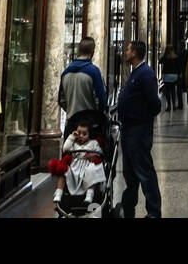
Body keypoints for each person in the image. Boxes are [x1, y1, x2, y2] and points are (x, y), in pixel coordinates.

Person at [116, 38, 162, 218]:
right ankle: (129, 209)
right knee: (130, 174)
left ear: (134, 53)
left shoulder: (145, 74)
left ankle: (153, 213)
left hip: (138, 131)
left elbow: (154, 104)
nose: (126, 53)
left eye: (128, 50)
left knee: (145, 172)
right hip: (129, 131)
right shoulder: (137, 72)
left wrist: (142, 118)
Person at [48, 119, 106, 216]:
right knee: (64, 172)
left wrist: (93, 155)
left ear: (89, 135)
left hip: (88, 166)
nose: (81, 136)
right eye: (79, 133)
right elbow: (65, 149)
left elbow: (100, 152)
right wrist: (71, 137)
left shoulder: (93, 143)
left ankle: (90, 193)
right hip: (74, 167)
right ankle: (59, 192)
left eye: (84, 134)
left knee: (93, 170)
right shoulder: (74, 144)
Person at [58, 36, 108, 138]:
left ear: (79, 50)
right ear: (92, 51)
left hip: (71, 125)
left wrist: (72, 111)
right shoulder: (94, 72)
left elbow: (61, 100)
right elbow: (101, 100)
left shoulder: (65, 73)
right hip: (89, 128)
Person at [160, 44, 180, 111]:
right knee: (173, 91)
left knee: (167, 92)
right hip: (174, 76)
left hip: (167, 76)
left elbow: (160, 61)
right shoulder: (176, 57)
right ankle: (174, 105)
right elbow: (178, 67)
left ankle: (169, 105)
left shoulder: (165, 57)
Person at [176, 38, 188, 110]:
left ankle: (180, 104)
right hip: (187, 72)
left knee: (179, 90)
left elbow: (177, 64)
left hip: (180, 72)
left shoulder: (177, 53)